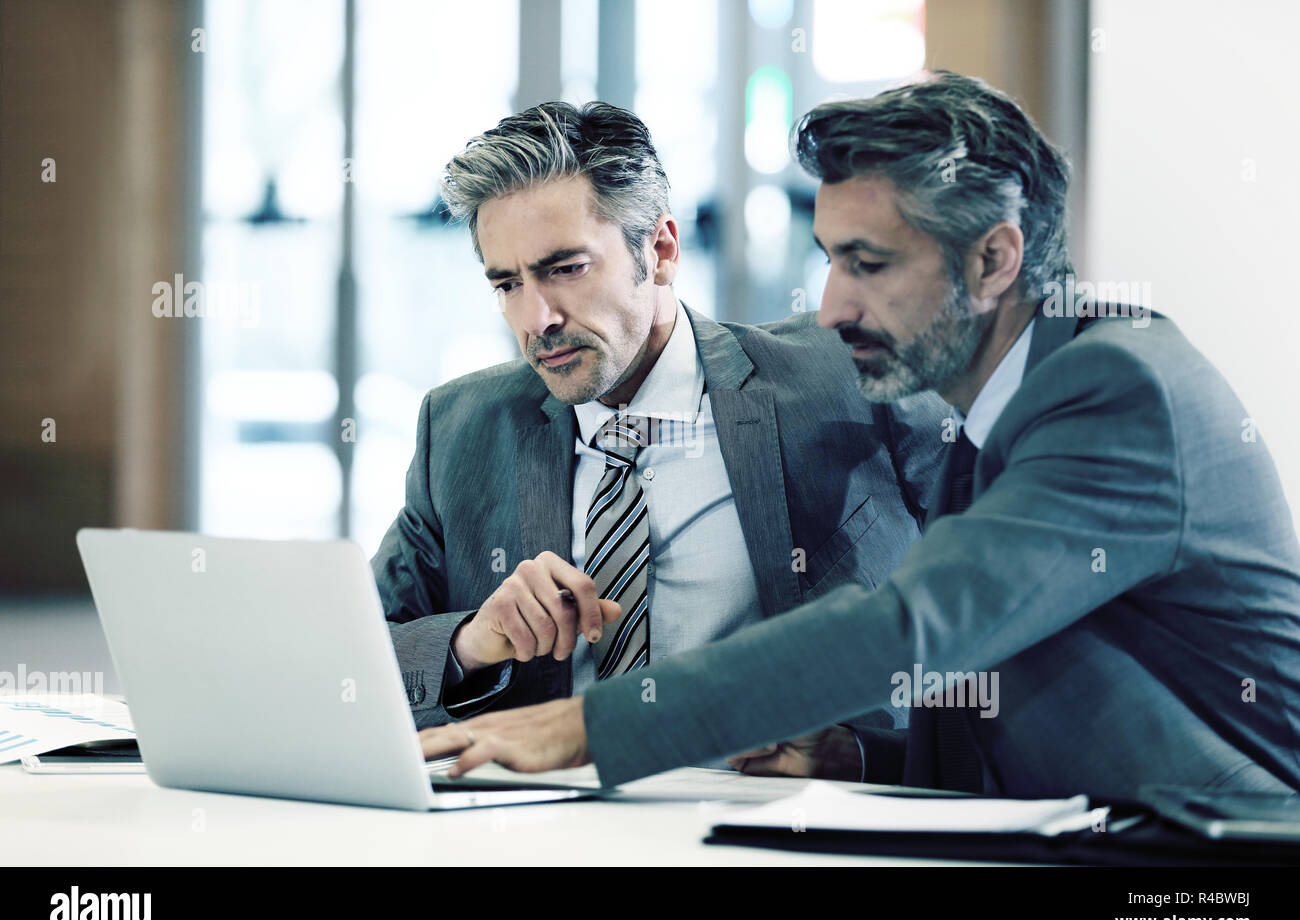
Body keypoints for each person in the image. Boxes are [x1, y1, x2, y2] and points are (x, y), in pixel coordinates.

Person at [419, 74, 1300, 798]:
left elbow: (907, 629)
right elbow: (971, 702)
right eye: (830, 259)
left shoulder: (1116, 390)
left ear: (993, 259)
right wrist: (858, 756)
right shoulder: (991, 417)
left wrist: (584, 727)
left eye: (868, 265)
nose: (833, 308)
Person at [371, 101, 949, 776]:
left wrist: (860, 754)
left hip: (764, 828)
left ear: (661, 250)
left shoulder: (844, 377)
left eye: (566, 268)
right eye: (507, 283)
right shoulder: (462, 427)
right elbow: (357, 663)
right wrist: (471, 642)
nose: (538, 318)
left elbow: (999, 616)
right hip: (538, 826)